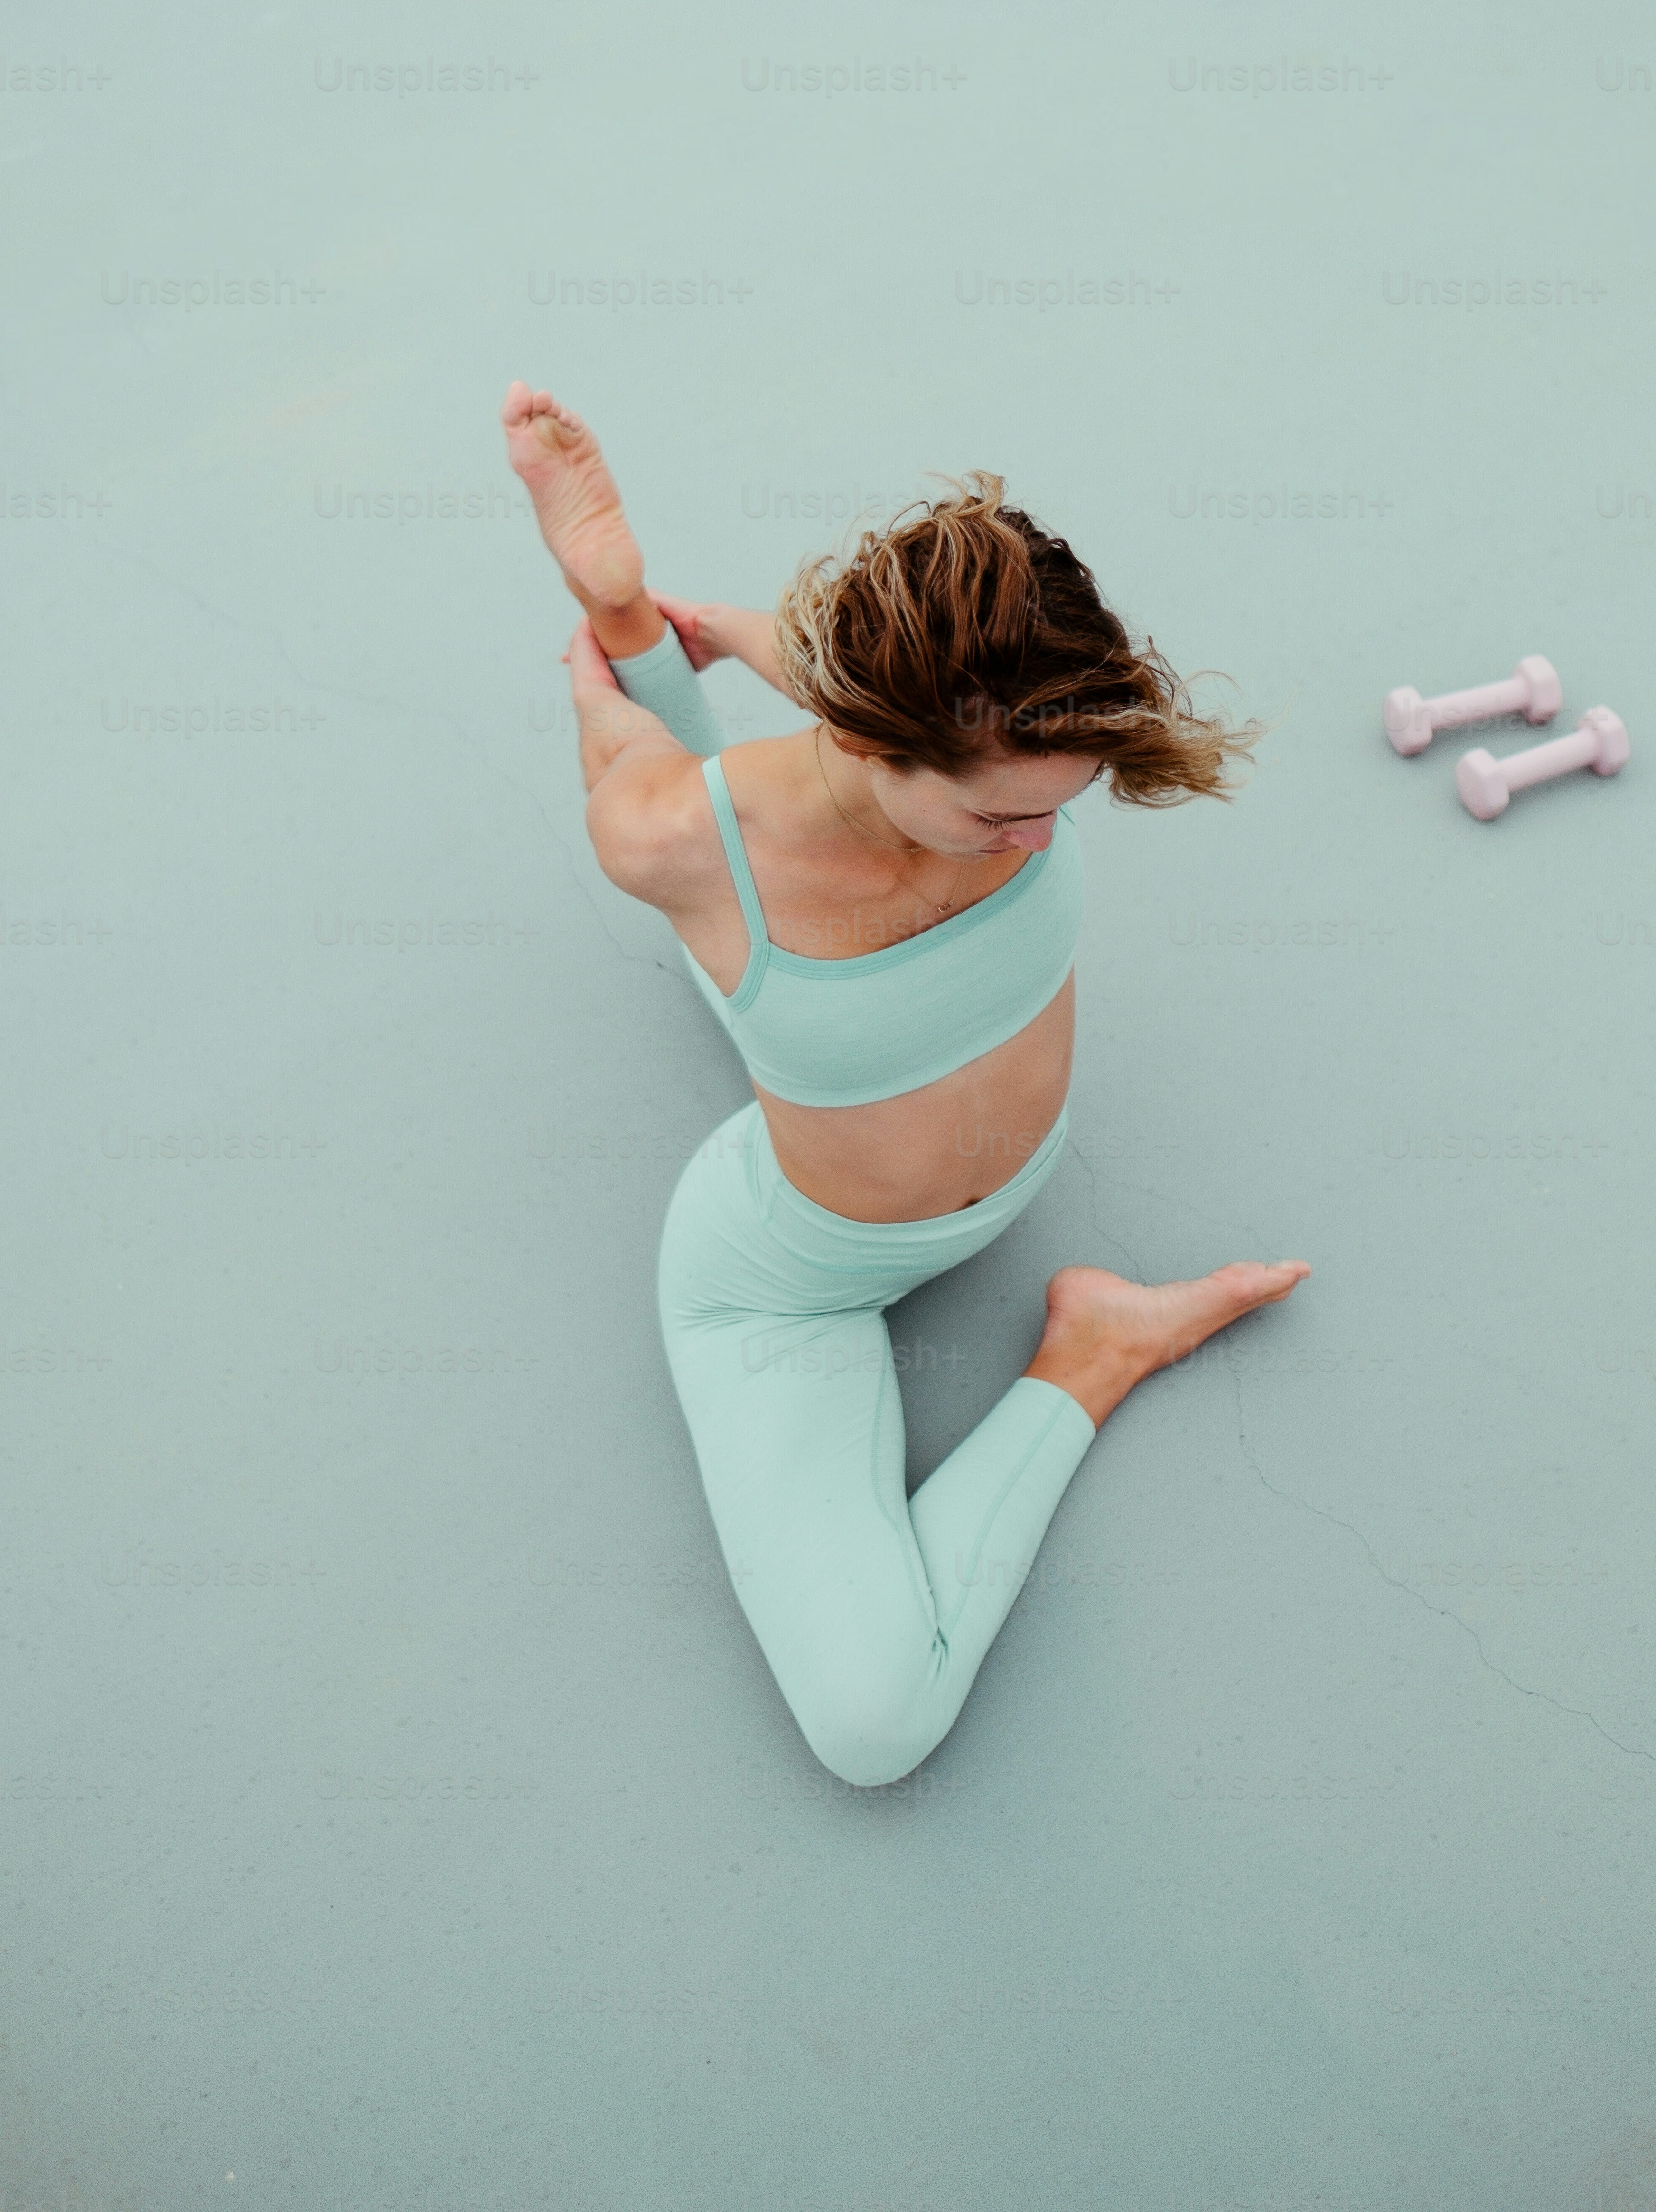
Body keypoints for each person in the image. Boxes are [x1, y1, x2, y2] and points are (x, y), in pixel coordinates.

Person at [502, 380, 1310, 1785]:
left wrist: (726, 627)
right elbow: (661, 775)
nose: (1026, 839)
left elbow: (852, 695)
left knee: (790, 939)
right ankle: (1095, 1350)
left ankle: (774, 918)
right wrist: (625, 638)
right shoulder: (671, 838)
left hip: (928, 1095)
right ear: (874, 740)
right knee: (876, 1731)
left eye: (1054, 815)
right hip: (795, 1268)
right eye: (998, 812)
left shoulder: (978, 751)